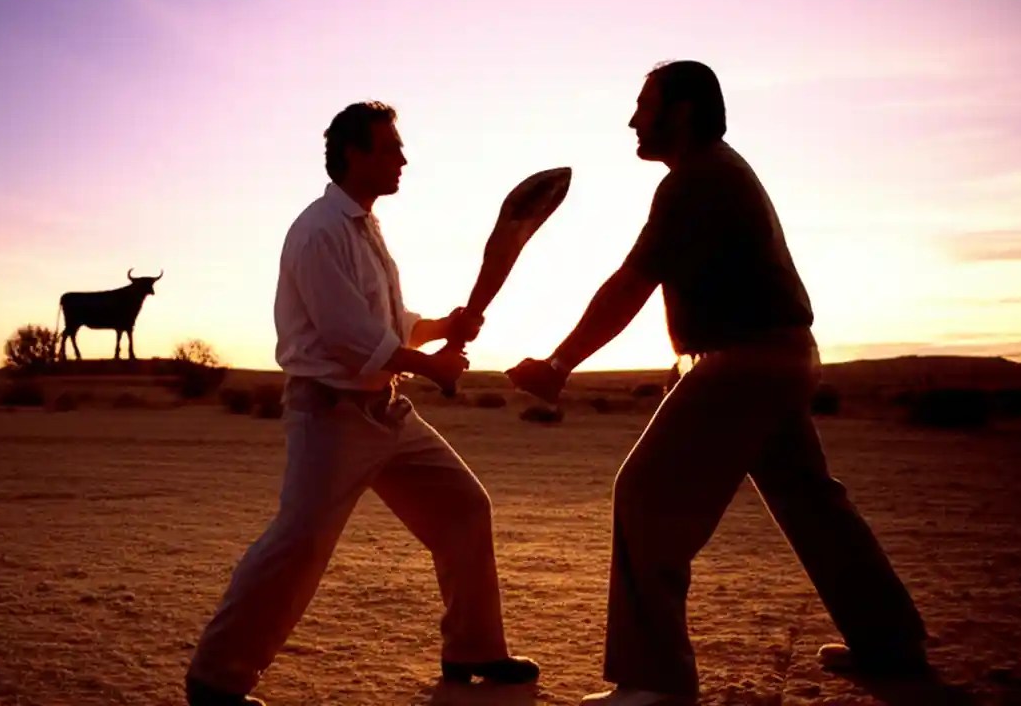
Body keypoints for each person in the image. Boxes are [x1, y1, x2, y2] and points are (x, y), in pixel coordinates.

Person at [507, 61, 928, 706]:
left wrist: (559, 365)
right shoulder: (720, 172)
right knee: (811, 501)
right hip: (779, 358)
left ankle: (654, 682)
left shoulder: (697, 181)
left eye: (643, 105)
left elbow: (630, 284)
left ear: (681, 111)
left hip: (743, 363)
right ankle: (890, 642)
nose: (632, 120)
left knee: (646, 493)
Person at [185, 101, 540, 706]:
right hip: (331, 415)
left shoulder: (364, 228)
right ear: (353, 153)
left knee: (462, 509)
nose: (402, 158)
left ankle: (472, 650)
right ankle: (215, 682)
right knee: (297, 545)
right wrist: (432, 366)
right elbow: (349, 338)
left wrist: (437, 327)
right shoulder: (319, 230)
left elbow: (386, 321)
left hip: (387, 413)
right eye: (389, 147)